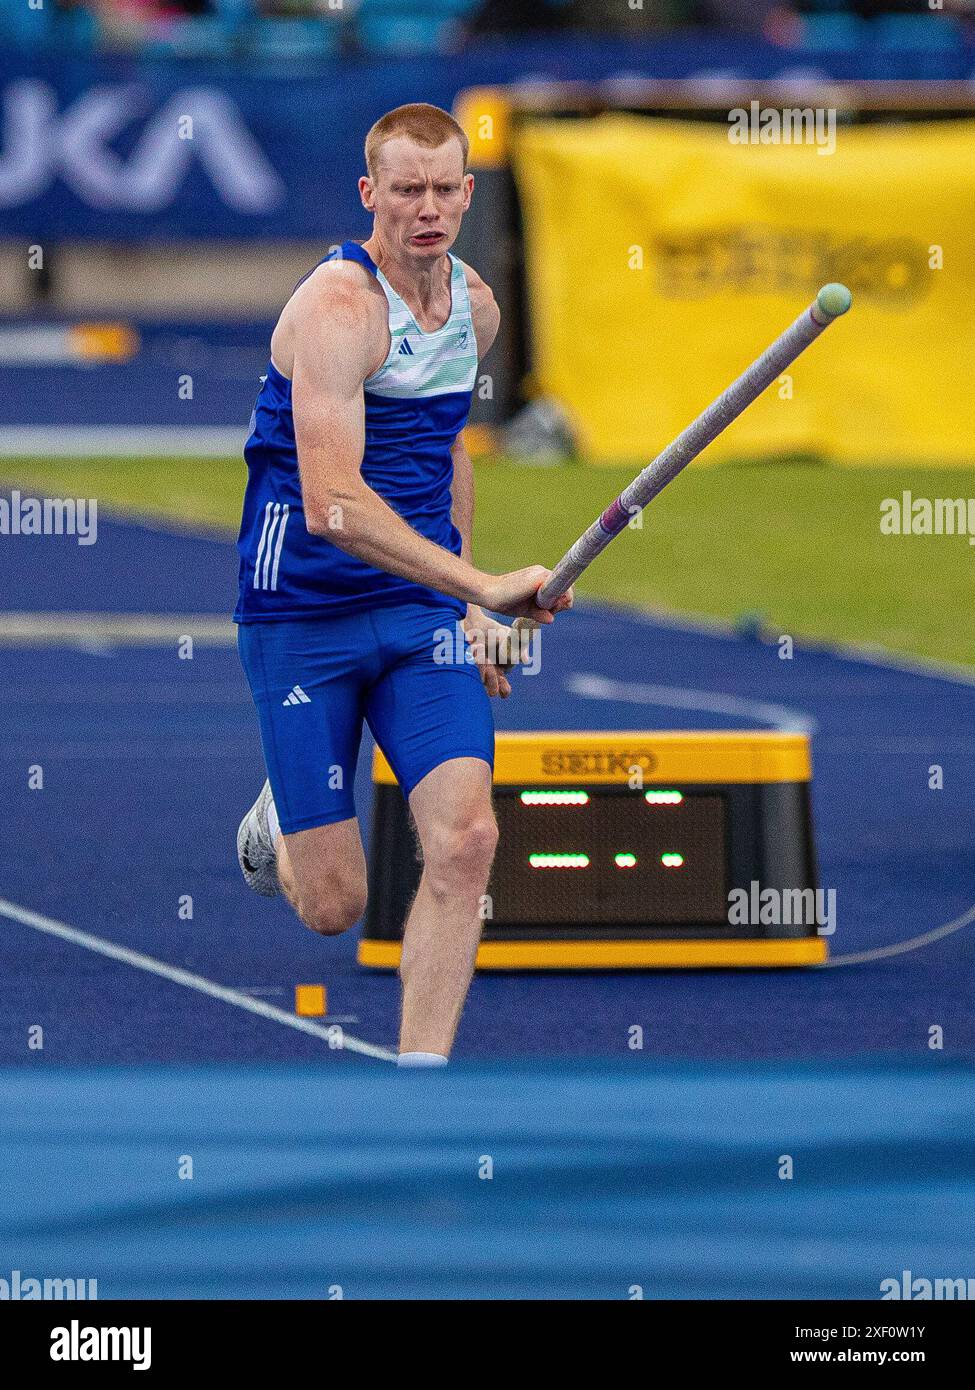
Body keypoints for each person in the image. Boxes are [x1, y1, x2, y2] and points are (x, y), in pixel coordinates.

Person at [234, 103, 572, 1067]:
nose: (425, 209)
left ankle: (421, 1086)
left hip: (417, 610)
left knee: (466, 842)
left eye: (442, 190)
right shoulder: (338, 309)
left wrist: (468, 606)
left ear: (468, 194)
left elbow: (442, 455)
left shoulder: (476, 307)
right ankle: (278, 821)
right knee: (333, 907)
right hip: (300, 610)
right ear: (368, 194)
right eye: (405, 189)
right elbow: (333, 504)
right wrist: (486, 582)